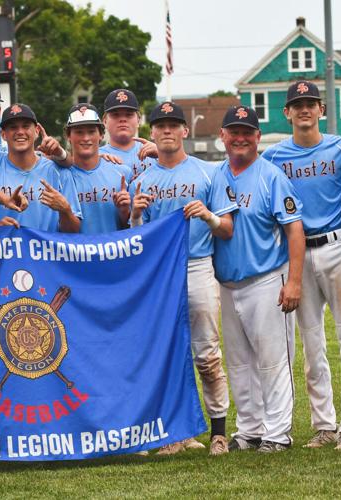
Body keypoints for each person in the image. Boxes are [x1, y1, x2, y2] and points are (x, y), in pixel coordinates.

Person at [261, 80, 341, 450]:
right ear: (286, 112)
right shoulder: (272, 157)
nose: (304, 109)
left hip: (338, 246)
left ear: (322, 109)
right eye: (297, 104)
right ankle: (324, 425)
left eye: (311, 103)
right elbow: (233, 169)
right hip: (297, 253)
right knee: (311, 343)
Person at [131, 101, 235, 456]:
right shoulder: (143, 180)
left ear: (185, 131)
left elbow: (227, 229)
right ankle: (173, 432)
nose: (167, 131)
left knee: (206, 352)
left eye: (174, 125)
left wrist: (207, 216)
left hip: (197, 265)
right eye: (160, 126)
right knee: (166, 353)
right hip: (160, 272)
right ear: (152, 133)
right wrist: (134, 215)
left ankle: (218, 430)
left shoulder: (208, 173)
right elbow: (138, 240)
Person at [210, 106, 304, 454]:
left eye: (247, 131)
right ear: (222, 136)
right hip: (228, 282)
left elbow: (295, 229)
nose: (240, 137)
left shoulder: (271, 176)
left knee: (274, 360)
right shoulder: (216, 174)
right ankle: (249, 429)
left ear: (258, 137)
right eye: (233, 131)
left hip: (266, 278)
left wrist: (294, 282)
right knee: (238, 362)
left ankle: (278, 432)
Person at [0, 104, 82, 232]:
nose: (20, 132)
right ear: (3, 134)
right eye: (13, 127)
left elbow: (74, 231)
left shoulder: (59, 172)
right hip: (6, 251)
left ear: (36, 131)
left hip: (47, 252)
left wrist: (66, 211)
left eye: (26, 126)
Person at [64, 103, 133, 233]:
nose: (86, 138)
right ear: (68, 136)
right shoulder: (59, 175)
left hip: (113, 253)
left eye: (91, 131)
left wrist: (125, 212)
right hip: (74, 253)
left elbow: (138, 229)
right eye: (79, 132)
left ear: (101, 135)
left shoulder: (123, 173)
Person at [99, 89, 155, 181]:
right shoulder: (97, 157)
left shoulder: (154, 153)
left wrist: (163, 155)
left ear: (138, 120)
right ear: (105, 121)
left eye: (129, 115)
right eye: (115, 115)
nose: (122, 119)